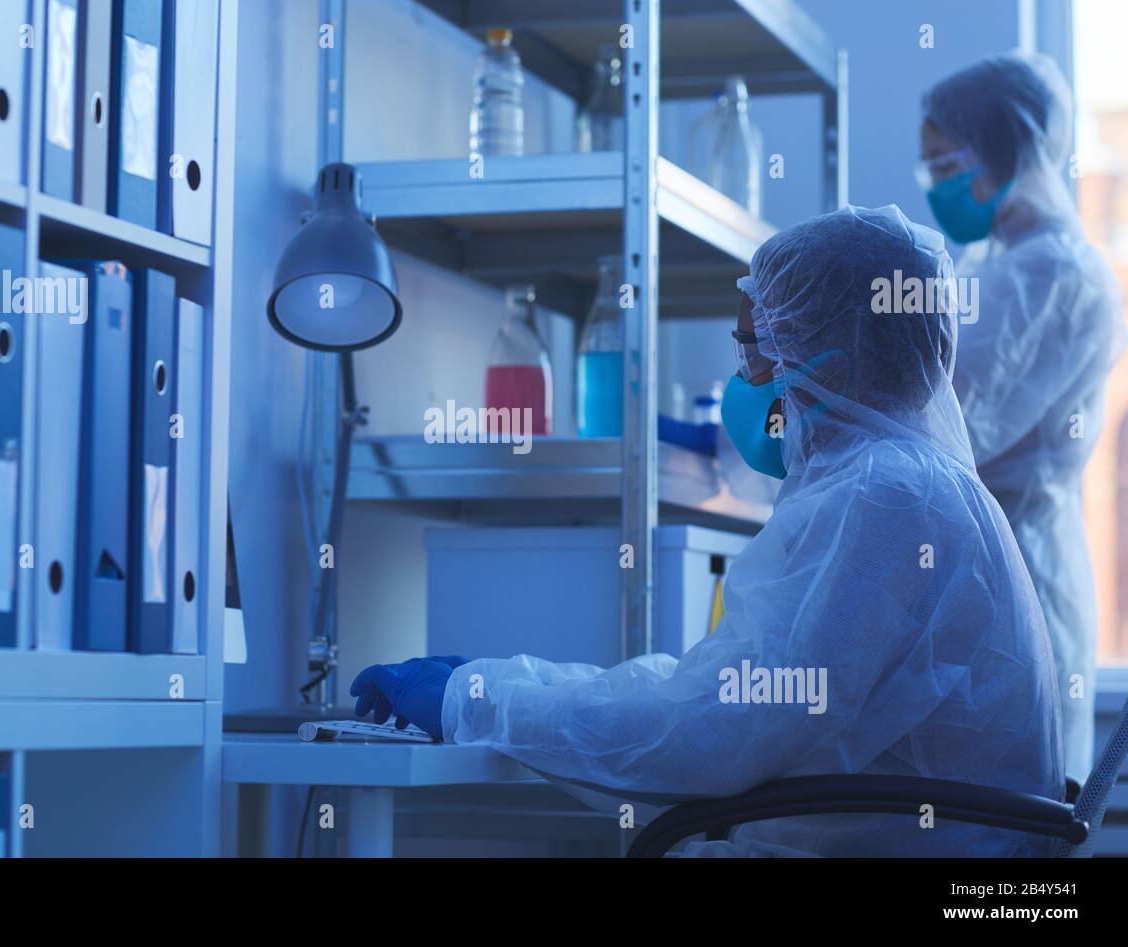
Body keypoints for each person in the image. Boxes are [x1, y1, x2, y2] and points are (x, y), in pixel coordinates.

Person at [352, 205, 1064, 857]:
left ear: (834, 365)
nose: (743, 378)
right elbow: (727, 696)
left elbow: (713, 732)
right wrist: (502, 682)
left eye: (757, 351)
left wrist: (475, 700)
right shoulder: (905, 484)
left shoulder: (883, 497)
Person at [919, 52, 1126, 780]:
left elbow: (950, 426)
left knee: (1009, 842)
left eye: (946, 164)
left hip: (1023, 576)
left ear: (1008, 149)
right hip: (998, 571)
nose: (936, 185)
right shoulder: (1005, 265)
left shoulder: (1053, 273)